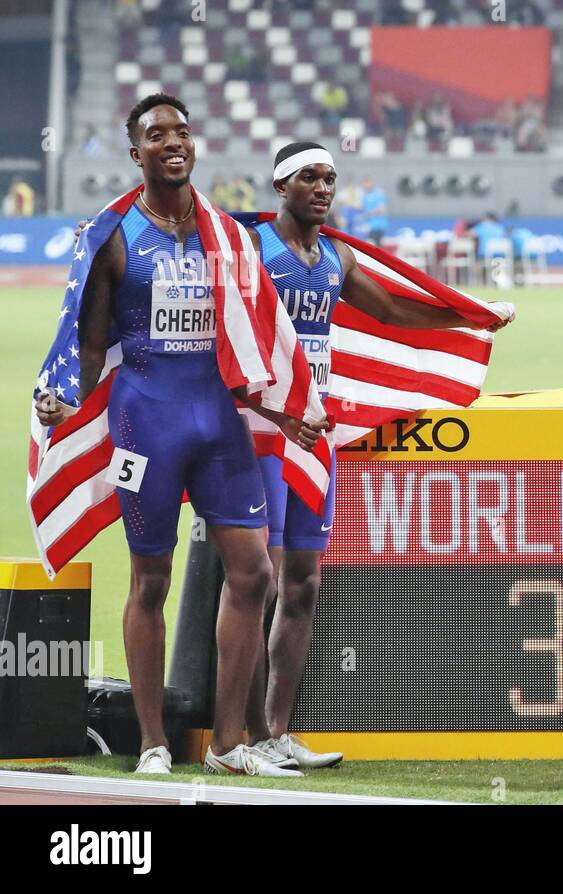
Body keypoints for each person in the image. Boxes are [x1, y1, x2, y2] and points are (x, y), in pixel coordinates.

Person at [34, 94, 326, 778]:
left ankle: (228, 746)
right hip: (148, 419)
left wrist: (287, 412)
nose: (173, 142)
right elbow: (92, 341)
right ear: (136, 154)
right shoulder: (112, 237)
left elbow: (256, 337)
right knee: (151, 579)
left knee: (253, 572)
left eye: (182, 132)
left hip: (216, 416)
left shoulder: (226, 235)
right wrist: (63, 395)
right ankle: (155, 744)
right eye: (156, 134)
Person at [233, 142, 515, 770]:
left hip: (317, 434)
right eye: (309, 177)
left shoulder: (336, 255)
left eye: (331, 178)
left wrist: (464, 319)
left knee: (304, 584)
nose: (323, 188)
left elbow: (390, 310)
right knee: (262, 580)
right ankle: (246, 737)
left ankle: (278, 730)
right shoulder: (253, 248)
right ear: (281, 187)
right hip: (260, 431)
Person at [360, 176, 388, 244]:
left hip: (378, 226)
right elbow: (362, 208)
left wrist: (369, 213)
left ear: (372, 183)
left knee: (377, 247)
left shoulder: (379, 193)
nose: (366, 185)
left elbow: (382, 209)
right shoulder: (365, 195)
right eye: (364, 183)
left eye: (367, 183)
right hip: (368, 226)